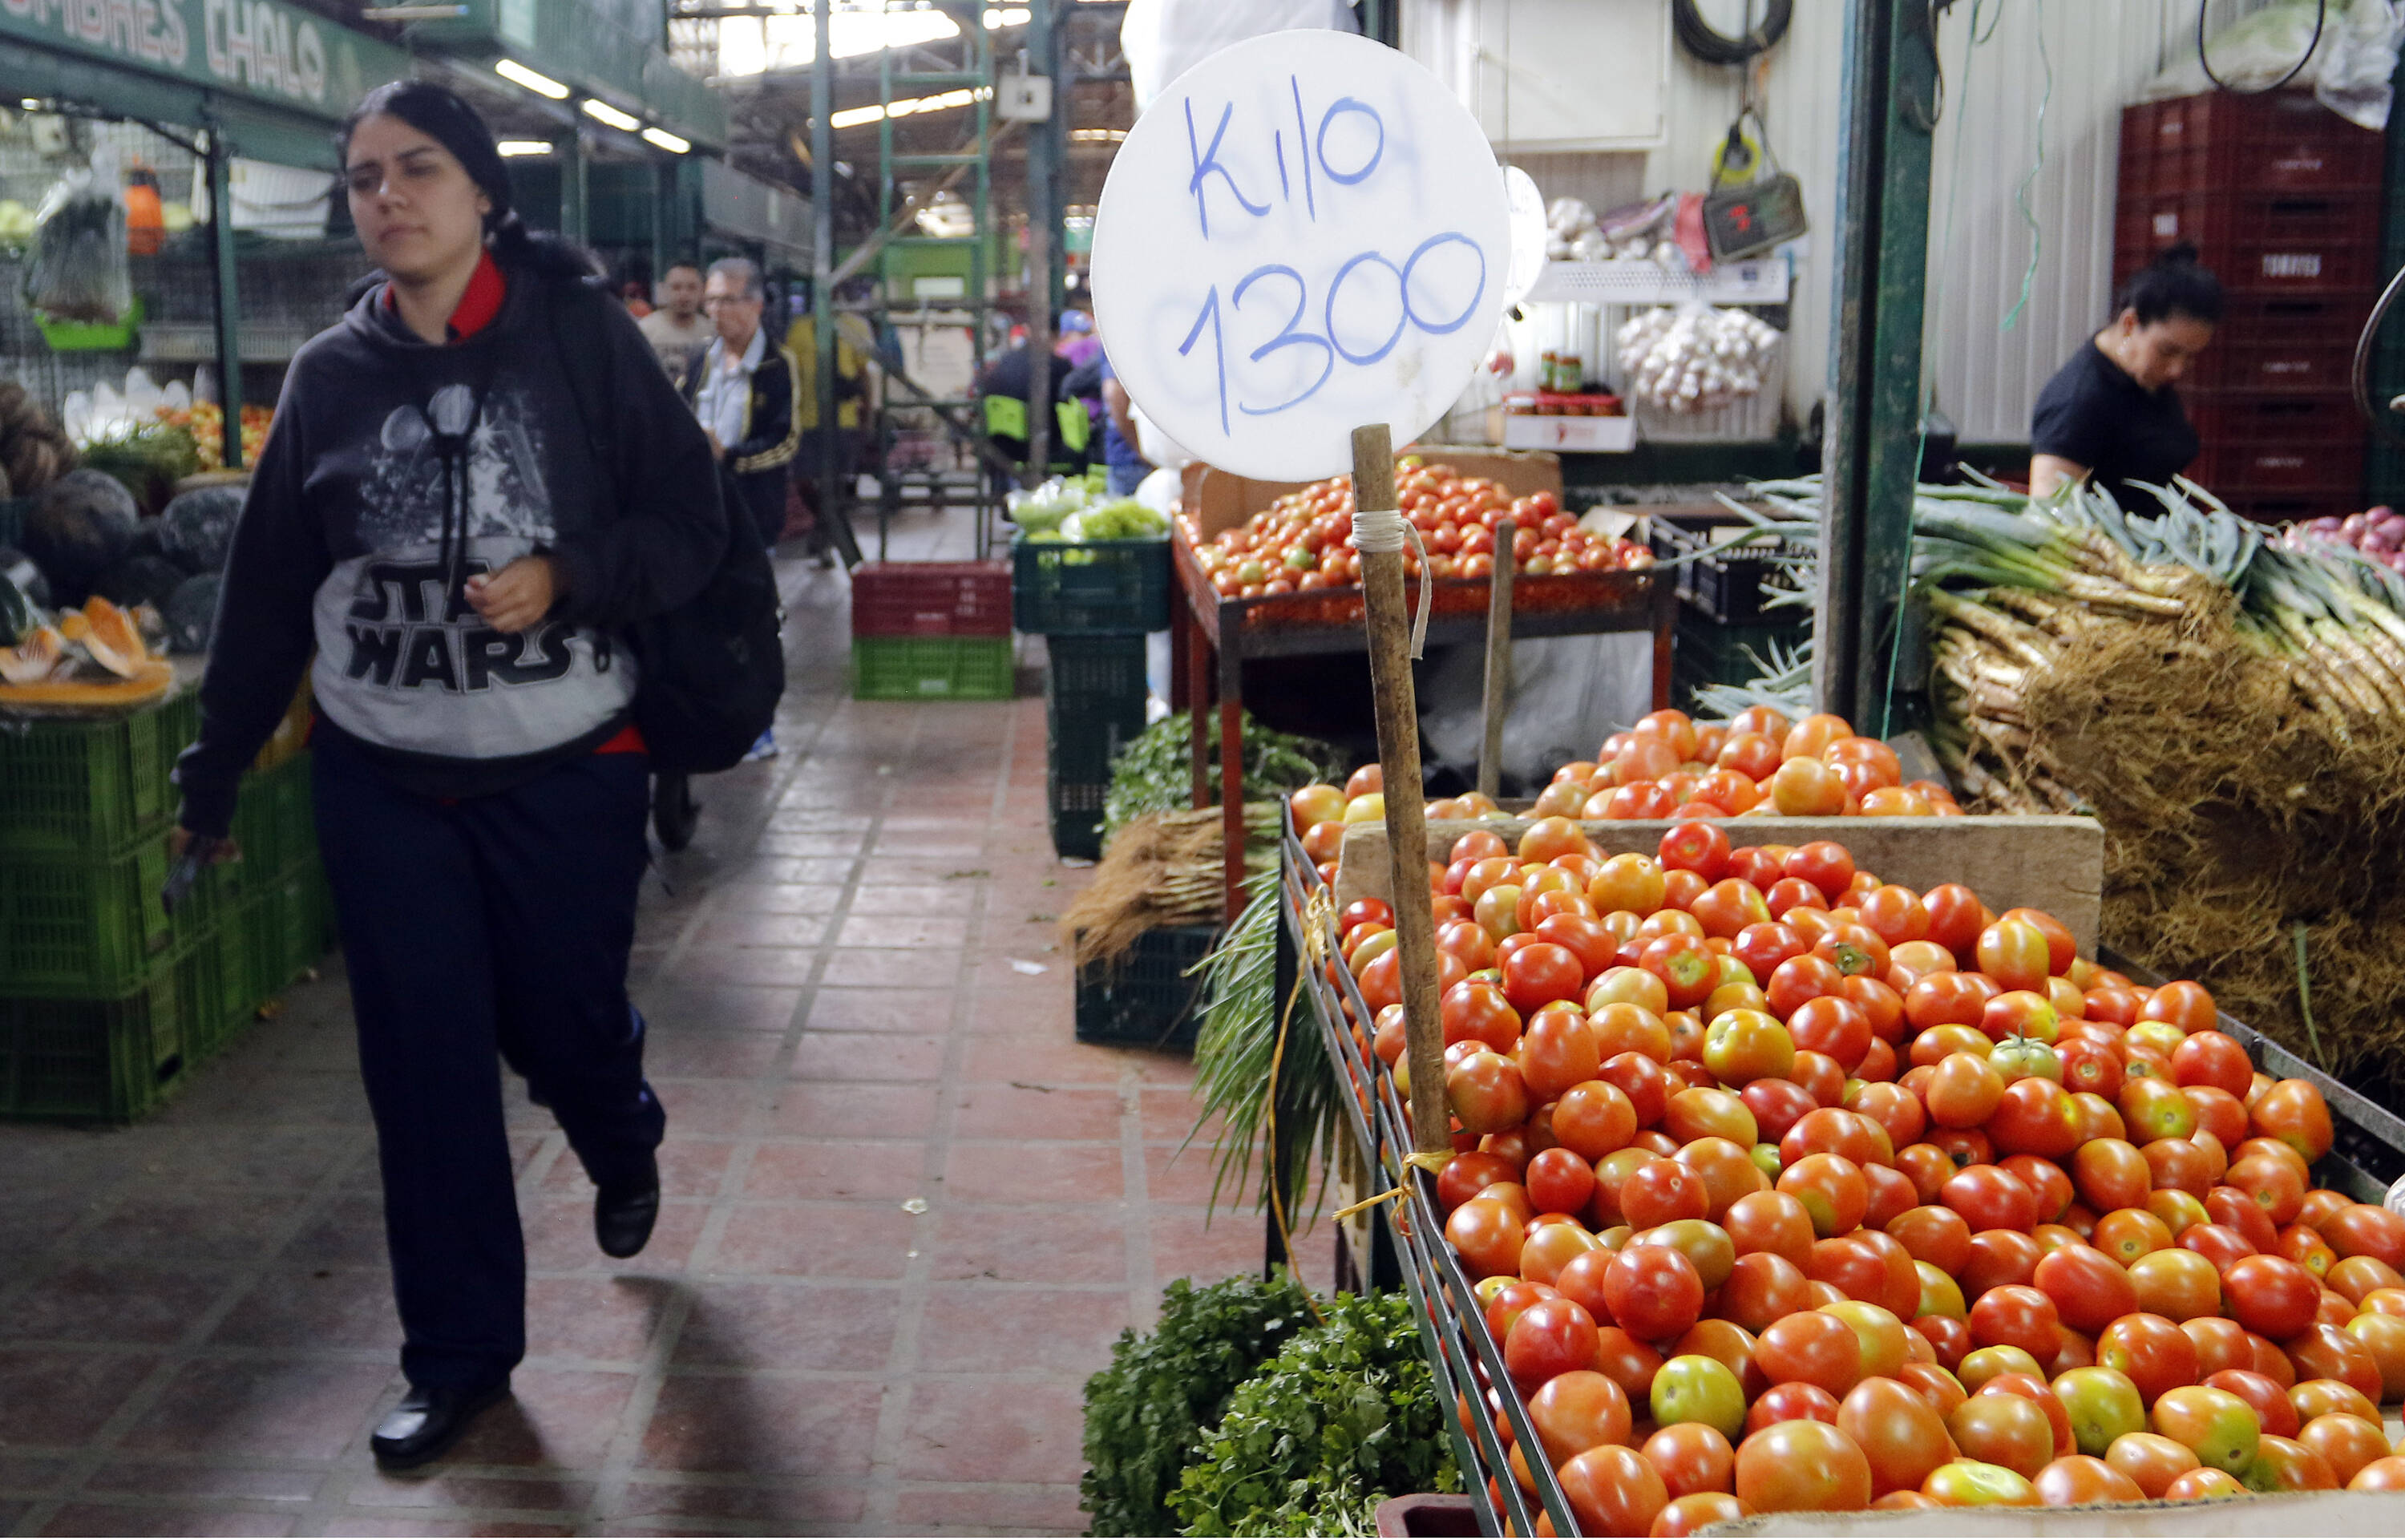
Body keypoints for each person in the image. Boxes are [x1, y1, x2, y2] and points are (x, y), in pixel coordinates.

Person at [168, 79, 726, 1470]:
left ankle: (618, 1116)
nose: (389, 198)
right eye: (363, 179)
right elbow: (262, 601)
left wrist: (571, 574)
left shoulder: (582, 337)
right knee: (423, 1073)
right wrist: (213, 777)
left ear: (484, 191)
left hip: (568, 766)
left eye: (418, 169)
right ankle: (459, 1355)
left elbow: (692, 522)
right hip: (386, 782)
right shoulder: (327, 380)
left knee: (561, 1020)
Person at [678, 255, 798, 759]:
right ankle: (714, 717)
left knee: (752, 620)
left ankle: (759, 726)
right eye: (711, 300)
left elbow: (787, 440)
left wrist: (729, 458)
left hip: (752, 514)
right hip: (702, 514)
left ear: (753, 304)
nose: (716, 310)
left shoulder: (777, 367)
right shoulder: (700, 360)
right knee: (706, 620)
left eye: (726, 299)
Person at [2029, 243, 2221, 503]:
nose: (2177, 369)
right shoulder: (2077, 402)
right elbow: (2050, 509)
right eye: (2167, 351)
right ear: (2130, 324)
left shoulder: (2143, 378)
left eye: (2189, 357)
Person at [786, 288, 869, 568]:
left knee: (837, 483)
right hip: (807, 418)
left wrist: (867, 417)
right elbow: (790, 374)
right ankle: (827, 528)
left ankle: (825, 539)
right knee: (804, 479)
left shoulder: (855, 327)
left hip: (843, 420)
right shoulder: (799, 330)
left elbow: (863, 374)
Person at [637, 261, 709, 372]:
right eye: (676, 287)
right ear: (664, 290)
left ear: (702, 291)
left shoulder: (711, 331)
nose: (684, 294)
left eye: (692, 288)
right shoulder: (645, 330)